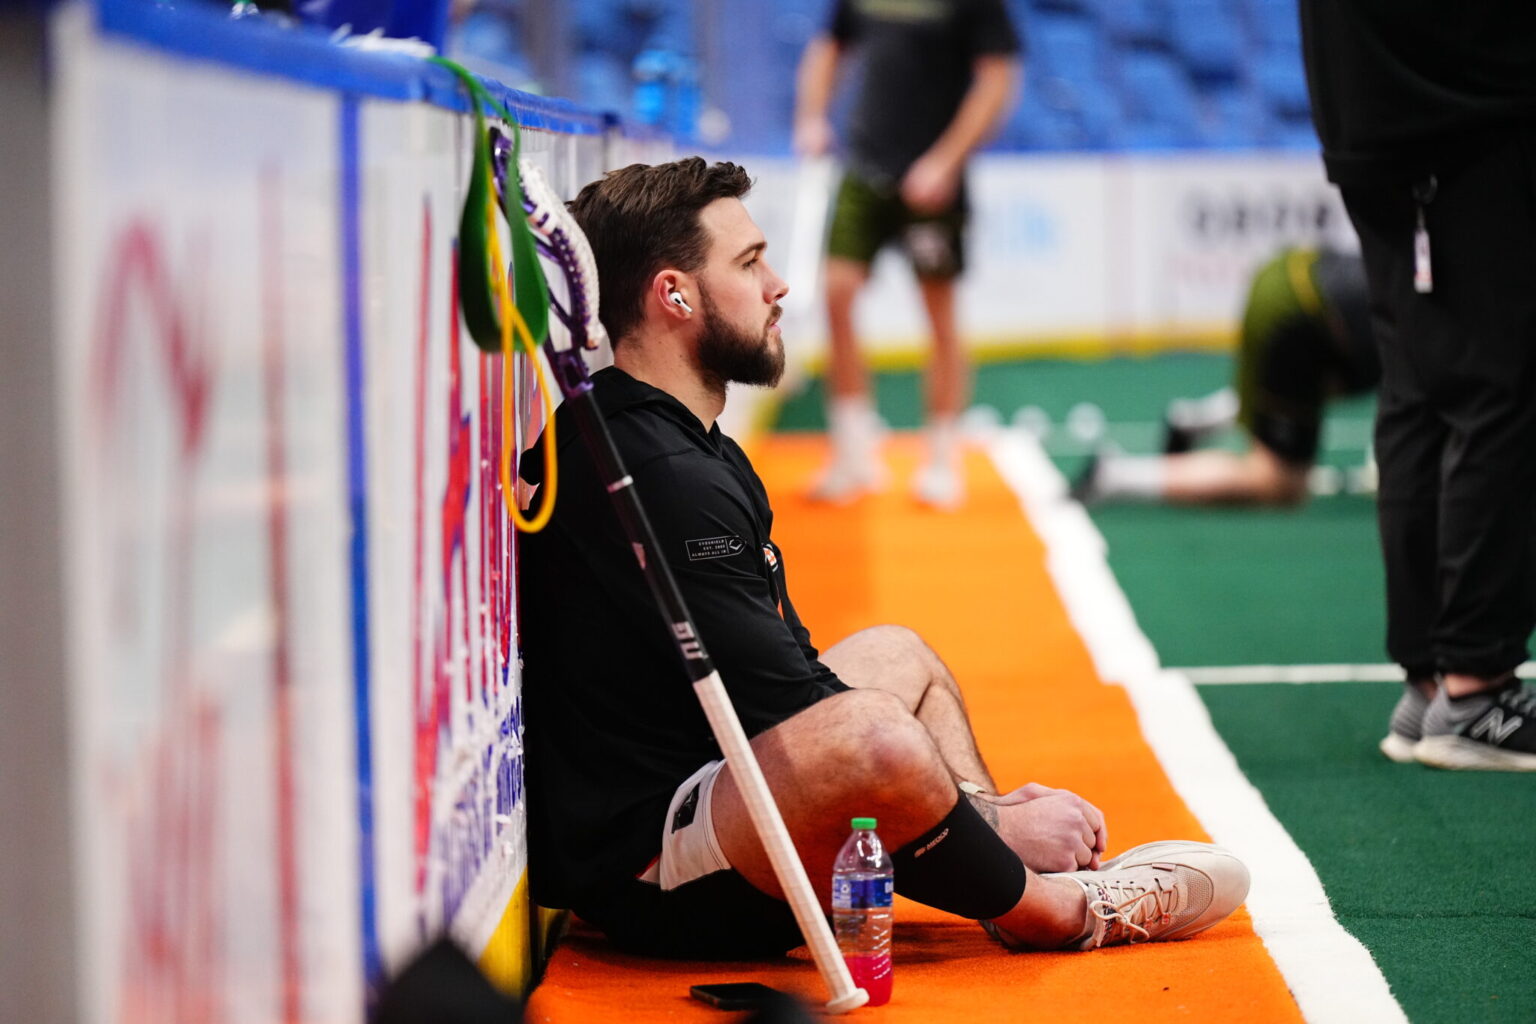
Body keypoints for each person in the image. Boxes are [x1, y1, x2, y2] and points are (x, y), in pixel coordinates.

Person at [517, 157, 1249, 962]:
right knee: (866, 729)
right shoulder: (662, 474)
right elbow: (791, 711)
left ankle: (996, 881)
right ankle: (1056, 910)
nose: (780, 285)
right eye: (750, 262)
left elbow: (785, 673)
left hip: (707, 792)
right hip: (657, 879)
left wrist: (971, 811)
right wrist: (997, 825)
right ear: (675, 295)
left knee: (897, 658)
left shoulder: (673, 439)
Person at [1299, 3, 1536, 770]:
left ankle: (1433, 684)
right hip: (1460, 108)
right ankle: (1477, 688)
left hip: (1375, 108)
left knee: (1421, 394)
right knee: (1495, 389)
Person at [793, 0, 1023, 509]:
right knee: (837, 294)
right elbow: (829, 46)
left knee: (939, 313)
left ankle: (942, 458)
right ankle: (854, 454)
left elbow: (998, 79)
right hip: (864, 167)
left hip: (934, 179)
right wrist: (811, 116)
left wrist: (946, 161)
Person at [1073, 247, 1377, 506]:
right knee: (1280, 481)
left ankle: (1199, 419)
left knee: (1318, 386)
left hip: (1287, 271)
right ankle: (1118, 476)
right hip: (1302, 309)